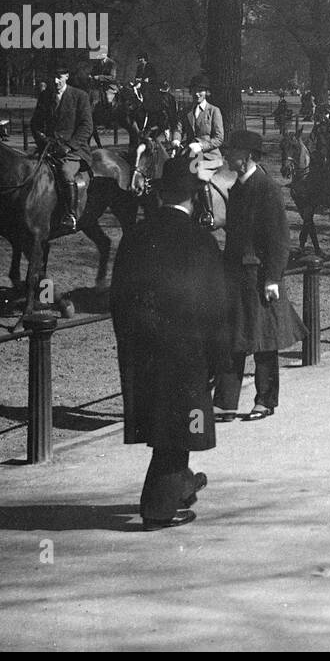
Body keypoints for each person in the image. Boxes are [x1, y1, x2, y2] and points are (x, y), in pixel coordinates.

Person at [109, 154, 230, 530]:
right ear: (194, 199)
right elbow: (215, 306)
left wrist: (129, 343)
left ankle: (181, 483)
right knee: (178, 426)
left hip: (141, 349)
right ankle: (159, 507)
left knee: (168, 422)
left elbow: (118, 298)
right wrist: (218, 358)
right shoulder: (201, 241)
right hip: (187, 350)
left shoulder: (135, 237)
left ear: (160, 196)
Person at [212, 129, 307, 423]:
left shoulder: (267, 188)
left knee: (263, 341)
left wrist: (273, 279)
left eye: (233, 152)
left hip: (259, 277)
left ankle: (265, 400)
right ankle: (225, 404)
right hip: (235, 275)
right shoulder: (238, 187)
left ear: (247, 156)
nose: (228, 156)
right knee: (232, 338)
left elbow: (280, 239)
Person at [31, 62, 94, 232]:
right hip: (49, 148)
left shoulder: (80, 96)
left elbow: (86, 127)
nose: (55, 81)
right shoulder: (45, 96)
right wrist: (42, 140)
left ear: (67, 77)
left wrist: (69, 146)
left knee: (66, 172)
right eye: (53, 77)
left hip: (74, 151)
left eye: (59, 77)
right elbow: (35, 124)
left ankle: (71, 214)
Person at [177, 75, 225, 154]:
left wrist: (201, 146)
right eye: (194, 90)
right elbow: (179, 129)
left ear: (206, 92)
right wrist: (176, 139)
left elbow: (219, 138)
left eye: (200, 91)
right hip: (189, 152)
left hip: (209, 154)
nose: (197, 94)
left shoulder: (214, 111)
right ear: (190, 91)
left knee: (198, 166)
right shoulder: (185, 111)